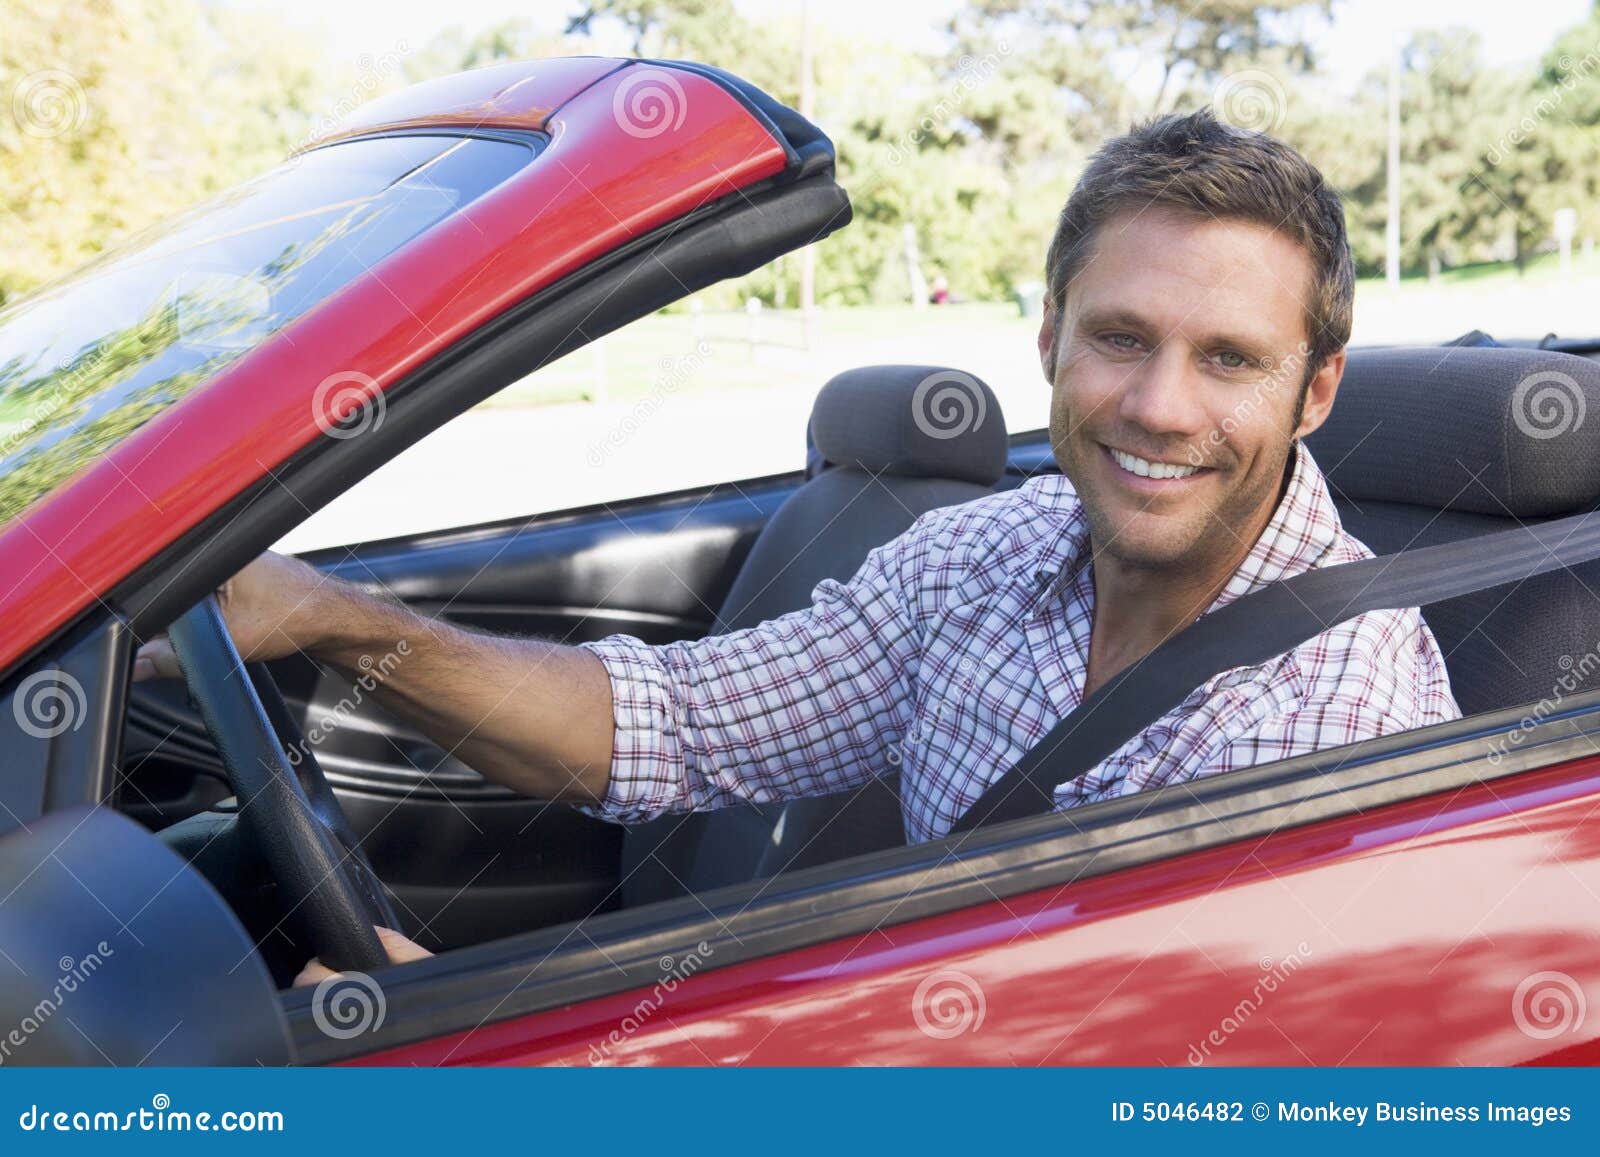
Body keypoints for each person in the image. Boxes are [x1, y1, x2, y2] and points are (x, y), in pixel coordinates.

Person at [135, 109, 1461, 976]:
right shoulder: (988, 557)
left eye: (1229, 358)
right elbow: (676, 722)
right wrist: (333, 618)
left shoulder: (1339, 702)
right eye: (1122, 336)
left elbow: (1094, 1065)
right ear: (1049, 334)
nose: (1160, 404)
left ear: (1317, 390)